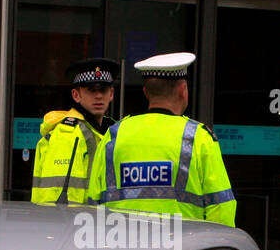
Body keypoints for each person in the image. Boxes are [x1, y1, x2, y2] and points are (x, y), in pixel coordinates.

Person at [87, 52, 236, 226]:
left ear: (146, 92)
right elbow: (221, 208)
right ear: (183, 90)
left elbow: (92, 203)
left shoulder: (114, 135)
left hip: (121, 249)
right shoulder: (199, 137)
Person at [30, 58, 117, 205]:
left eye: (103, 90)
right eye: (91, 90)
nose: (98, 96)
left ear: (111, 94)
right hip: (74, 224)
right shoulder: (68, 134)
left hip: (95, 222)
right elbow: (60, 197)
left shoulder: (109, 132)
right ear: (76, 95)